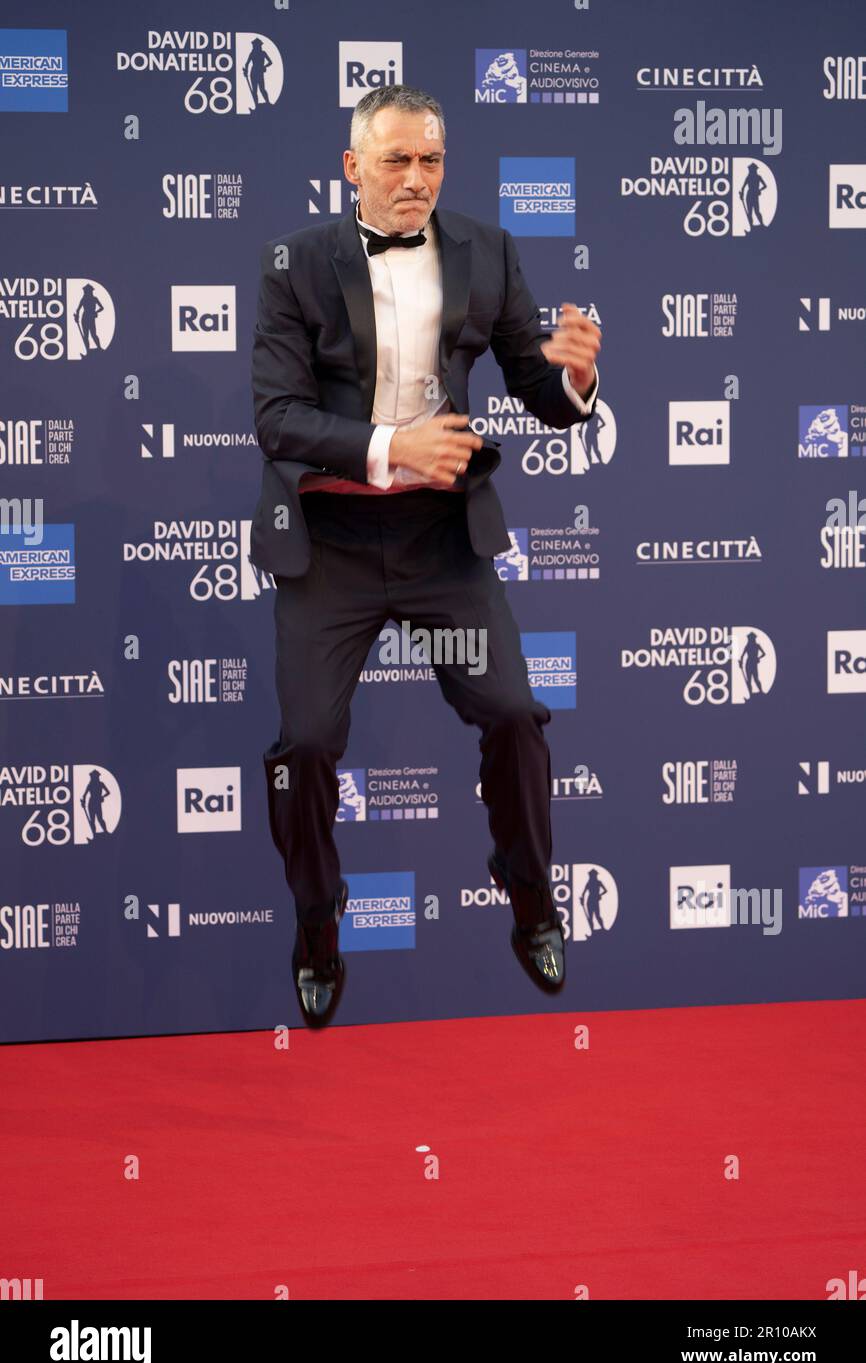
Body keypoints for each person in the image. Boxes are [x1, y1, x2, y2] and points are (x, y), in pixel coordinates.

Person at [250, 85, 601, 1028]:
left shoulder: (487, 250)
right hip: (331, 545)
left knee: (515, 714)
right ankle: (317, 920)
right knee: (306, 745)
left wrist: (575, 378)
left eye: (432, 160)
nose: (417, 179)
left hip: (442, 542)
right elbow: (276, 419)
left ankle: (529, 891)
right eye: (397, 160)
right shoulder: (295, 264)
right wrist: (390, 446)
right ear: (352, 167)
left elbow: (535, 385)